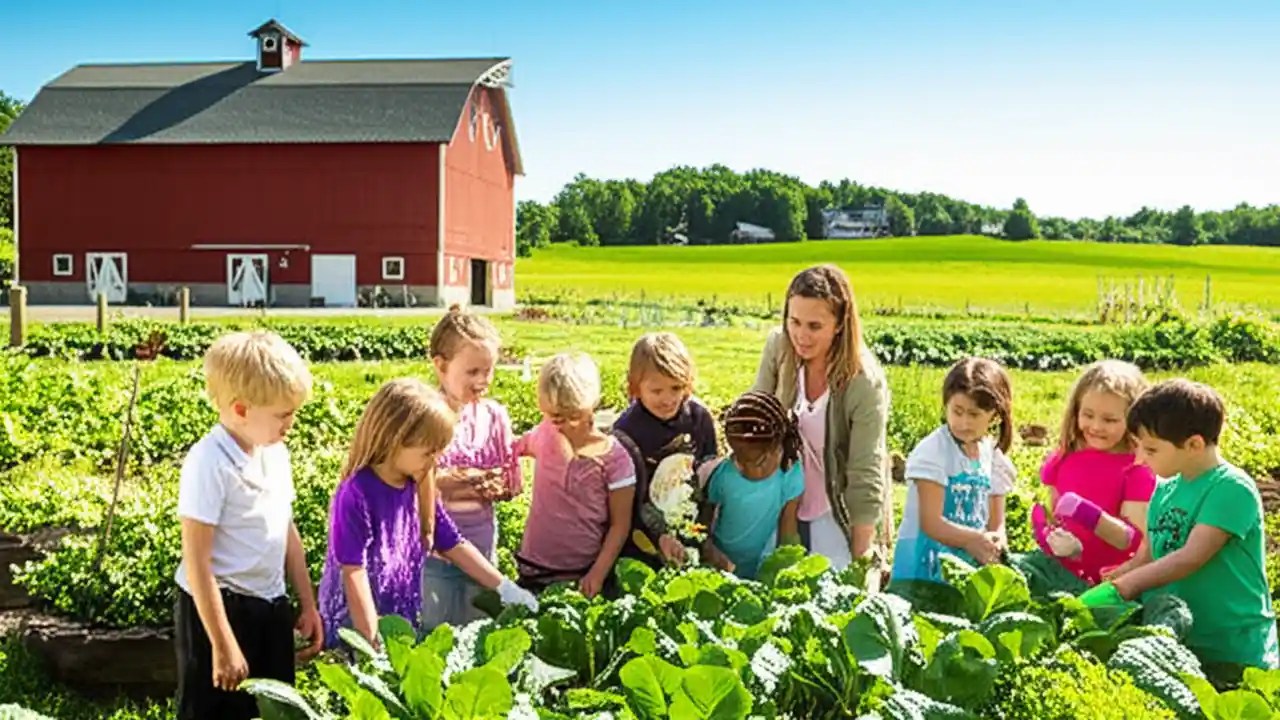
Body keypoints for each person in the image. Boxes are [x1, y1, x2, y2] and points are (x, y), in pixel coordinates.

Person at [317, 378, 535, 649]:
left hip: (398, 616)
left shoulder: (417, 485)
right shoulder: (356, 493)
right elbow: (353, 572)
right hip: (355, 623)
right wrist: (370, 642)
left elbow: (453, 542)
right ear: (393, 440)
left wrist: (504, 587)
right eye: (428, 452)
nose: (436, 461)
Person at [173, 330, 324, 720]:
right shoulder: (209, 463)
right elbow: (197, 562)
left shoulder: (274, 454)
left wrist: (306, 603)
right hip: (220, 607)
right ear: (241, 409)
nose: (289, 424)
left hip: (269, 601)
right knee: (216, 710)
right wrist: (222, 644)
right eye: (282, 415)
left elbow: (286, 531)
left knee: (274, 706)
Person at [1082, 379, 1278, 676]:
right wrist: (1117, 577)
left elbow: (1190, 557)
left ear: (1194, 445)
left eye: (1151, 449)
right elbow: (1149, 554)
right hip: (1180, 643)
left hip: (1233, 648)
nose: (1140, 459)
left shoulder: (1230, 488)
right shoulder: (1165, 489)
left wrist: (1130, 585)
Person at [751, 264, 892, 574]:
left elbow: (865, 467)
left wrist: (862, 551)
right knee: (767, 581)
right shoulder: (779, 347)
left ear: (840, 324)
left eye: (814, 326)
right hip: (779, 498)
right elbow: (755, 416)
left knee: (832, 589)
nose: (801, 335)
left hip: (832, 504)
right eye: (795, 321)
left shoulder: (863, 381)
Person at [422, 307, 524, 630]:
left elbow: (513, 483)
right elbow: (417, 481)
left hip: (482, 549)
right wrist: (462, 480)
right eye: (472, 372)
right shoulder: (426, 416)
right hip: (434, 557)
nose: (482, 380)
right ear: (441, 366)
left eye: (488, 370)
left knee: (477, 634)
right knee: (436, 635)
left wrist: (500, 487)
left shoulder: (494, 416)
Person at [888, 357, 1015, 611]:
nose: (964, 422)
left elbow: (996, 520)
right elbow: (931, 522)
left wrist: (996, 540)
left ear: (994, 415)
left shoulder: (993, 457)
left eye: (974, 414)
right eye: (957, 411)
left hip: (966, 570)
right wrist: (973, 540)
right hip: (923, 572)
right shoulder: (933, 451)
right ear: (946, 404)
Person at [514, 352, 636, 598]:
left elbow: (619, 525)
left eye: (573, 416)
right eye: (555, 417)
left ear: (592, 404)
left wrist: (597, 574)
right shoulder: (545, 434)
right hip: (534, 567)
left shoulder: (614, 459)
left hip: (581, 573)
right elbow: (514, 447)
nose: (564, 426)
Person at [1029, 360, 1156, 586]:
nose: (1096, 426)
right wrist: (1050, 537)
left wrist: (1090, 516)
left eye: (1109, 420)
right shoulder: (1064, 458)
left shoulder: (1136, 469)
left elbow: (1134, 542)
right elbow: (1057, 516)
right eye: (1088, 415)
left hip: (1113, 581)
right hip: (1066, 575)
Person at [612, 332, 719, 568]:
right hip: (643, 531)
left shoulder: (698, 418)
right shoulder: (626, 432)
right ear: (636, 388)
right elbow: (627, 502)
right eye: (656, 391)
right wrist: (658, 535)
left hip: (691, 523)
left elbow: (710, 473)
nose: (668, 399)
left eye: (676, 388)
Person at [701, 391, 806, 580]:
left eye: (759, 462)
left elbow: (788, 531)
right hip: (720, 567)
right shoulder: (723, 476)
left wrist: (788, 571)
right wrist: (714, 557)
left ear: (778, 448)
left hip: (760, 566)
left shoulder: (790, 474)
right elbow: (702, 529)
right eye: (741, 462)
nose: (750, 469)